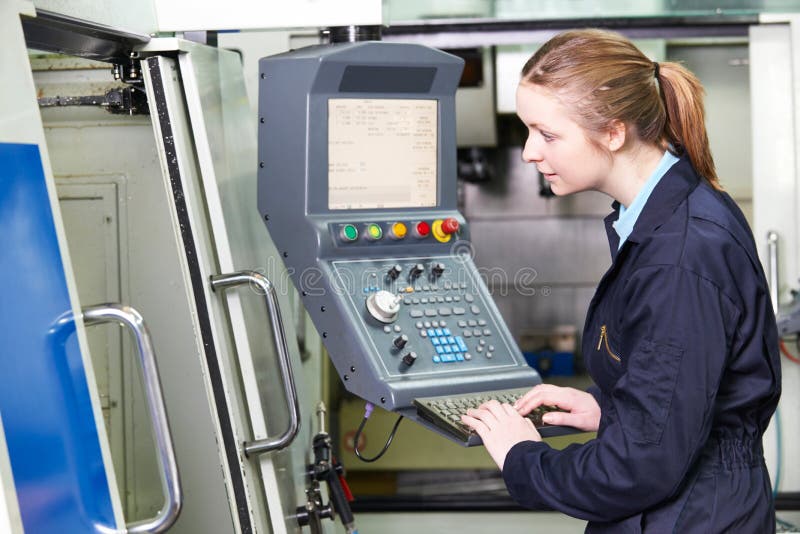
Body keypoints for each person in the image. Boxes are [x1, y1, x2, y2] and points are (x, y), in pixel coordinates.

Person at [461, 29, 782, 532]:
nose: (528, 152)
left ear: (613, 132)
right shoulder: (673, 216)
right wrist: (607, 408)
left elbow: (636, 469)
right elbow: (685, 399)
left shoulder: (679, 254)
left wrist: (521, 457)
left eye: (546, 134)